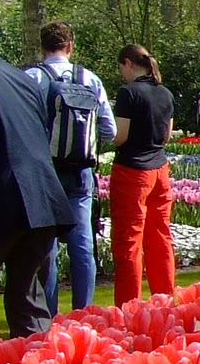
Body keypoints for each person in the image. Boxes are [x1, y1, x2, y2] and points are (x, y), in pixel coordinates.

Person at [26, 21, 115, 315]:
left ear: (42, 46)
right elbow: (109, 129)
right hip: (80, 172)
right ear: (70, 45)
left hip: (45, 172)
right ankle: (84, 313)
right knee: (82, 245)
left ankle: (48, 315)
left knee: (46, 248)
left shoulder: (32, 77)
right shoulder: (88, 78)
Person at [0, 50, 75, 337]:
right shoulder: (24, 80)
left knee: (26, 297)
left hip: (0, 198)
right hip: (42, 199)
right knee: (27, 300)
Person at [110, 44, 177, 306]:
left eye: (121, 68)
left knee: (129, 241)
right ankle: (166, 301)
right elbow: (166, 136)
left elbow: (120, 137)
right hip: (160, 170)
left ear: (128, 63)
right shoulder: (165, 93)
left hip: (132, 171)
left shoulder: (128, 93)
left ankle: (129, 307)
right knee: (160, 238)